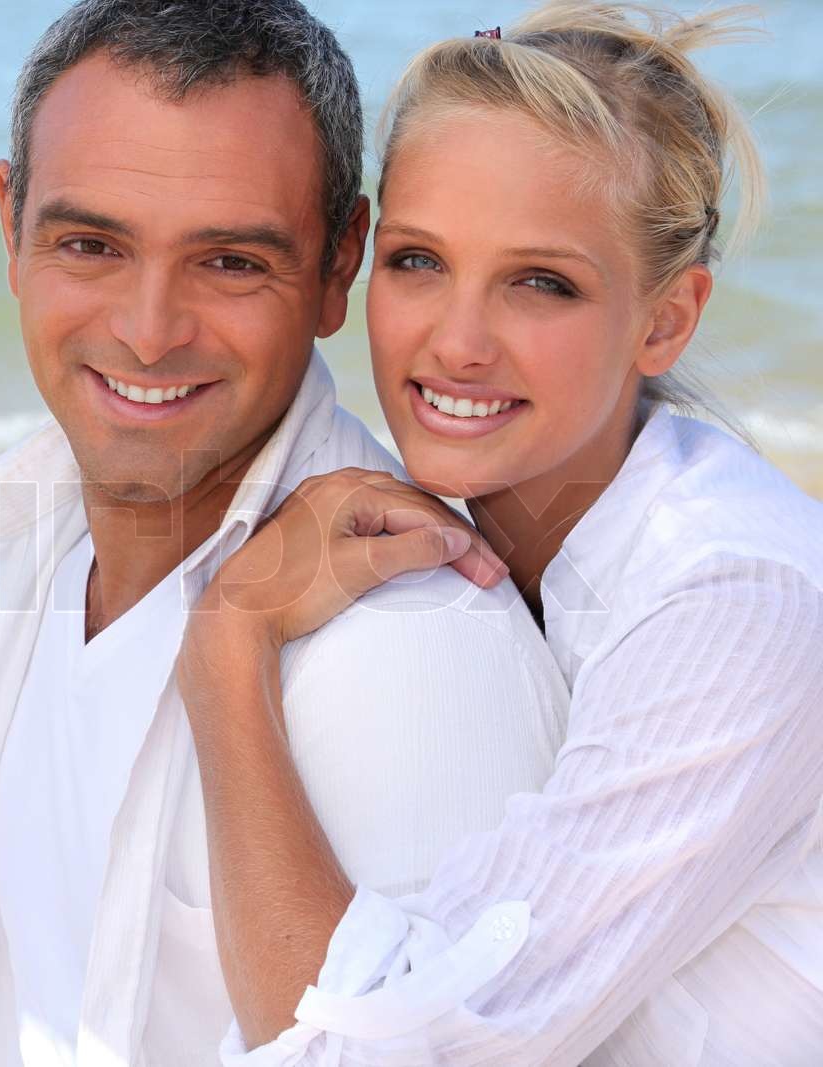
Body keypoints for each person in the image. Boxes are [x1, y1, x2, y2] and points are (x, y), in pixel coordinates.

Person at [0, 2, 571, 1064]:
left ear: (341, 264)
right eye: (91, 244)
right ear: (10, 225)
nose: (148, 331)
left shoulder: (408, 648)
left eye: (229, 262)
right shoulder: (32, 528)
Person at [176, 3, 823, 1064]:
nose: (458, 342)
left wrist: (223, 648)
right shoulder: (505, 544)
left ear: (665, 318)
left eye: (540, 283)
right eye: (418, 261)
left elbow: (384, 1055)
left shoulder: (734, 601)